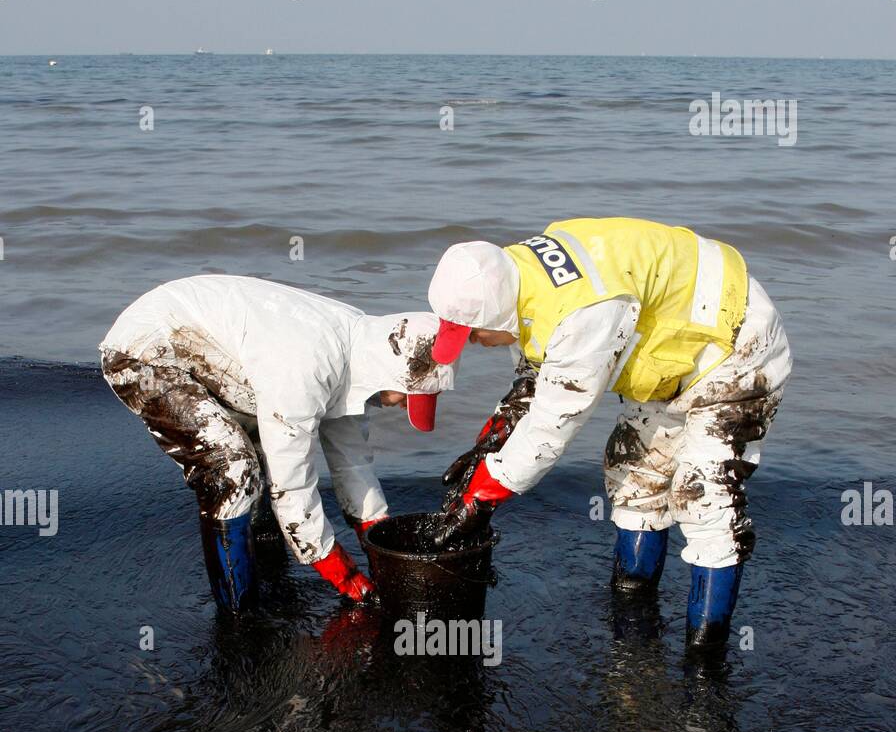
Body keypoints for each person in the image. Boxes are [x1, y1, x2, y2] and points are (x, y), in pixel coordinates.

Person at [427, 219, 792, 649]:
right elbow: (537, 376)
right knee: (632, 475)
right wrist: (488, 444)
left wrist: (480, 498)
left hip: (735, 347)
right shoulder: (516, 275)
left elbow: (550, 429)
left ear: (497, 311)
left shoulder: (585, 312)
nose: (474, 343)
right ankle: (634, 615)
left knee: (703, 496)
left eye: (474, 333)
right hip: (672, 351)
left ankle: (705, 659)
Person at [100, 275, 455, 612]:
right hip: (146, 351)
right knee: (233, 470)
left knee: (262, 459)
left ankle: (266, 562)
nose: (405, 405)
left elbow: (353, 464)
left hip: (213, 355)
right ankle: (237, 610)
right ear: (388, 371)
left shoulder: (359, 355)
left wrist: (379, 542)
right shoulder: (309, 367)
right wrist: (345, 578)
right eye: (409, 396)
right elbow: (293, 485)